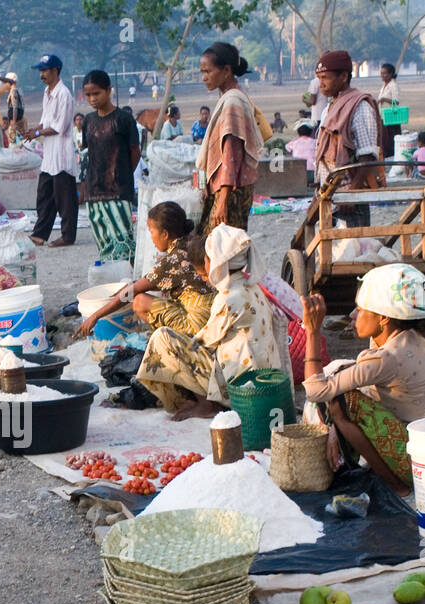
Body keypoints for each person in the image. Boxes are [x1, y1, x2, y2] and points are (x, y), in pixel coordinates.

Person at [302, 263, 425, 496]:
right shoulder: (408, 339)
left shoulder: (387, 358)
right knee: (340, 384)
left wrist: (312, 331)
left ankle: (398, 487)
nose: (352, 315)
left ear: (383, 319)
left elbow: (315, 390)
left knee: (342, 402)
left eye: (360, 309)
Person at [135, 223, 283, 420]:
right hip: (262, 377)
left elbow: (205, 342)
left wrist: (180, 343)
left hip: (241, 386)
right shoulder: (251, 286)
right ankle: (206, 399)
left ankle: (208, 404)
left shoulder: (228, 297)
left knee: (164, 339)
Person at [74, 201, 215, 342]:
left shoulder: (172, 259)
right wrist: (130, 288)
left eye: (151, 231)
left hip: (198, 325)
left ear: (165, 234)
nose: (151, 237)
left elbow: (131, 293)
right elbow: (154, 283)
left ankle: (170, 342)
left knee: (139, 301)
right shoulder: (190, 243)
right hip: (213, 316)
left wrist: (94, 316)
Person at [192, 42, 262, 235]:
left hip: (231, 190)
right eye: (202, 72)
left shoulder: (232, 102)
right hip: (231, 188)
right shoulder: (232, 98)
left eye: (208, 71)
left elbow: (231, 156)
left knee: (220, 251)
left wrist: (222, 200)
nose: (204, 77)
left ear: (226, 70)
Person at [312, 50, 383, 227]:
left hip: (350, 202)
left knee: (352, 251)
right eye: (319, 78)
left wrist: (352, 193)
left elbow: (367, 156)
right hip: (329, 197)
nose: (321, 84)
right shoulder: (329, 108)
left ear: (343, 76)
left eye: (325, 77)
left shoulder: (359, 106)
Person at [79, 70, 141, 264]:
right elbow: (90, 154)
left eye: (96, 93)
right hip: (93, 191)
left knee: (124, 243)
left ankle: (129, 288)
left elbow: (135, 152)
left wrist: (122, 174)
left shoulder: (123, 119)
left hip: (118, 190)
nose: (92, 99)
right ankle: (110, 286)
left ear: (108, 90)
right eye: (88, 94)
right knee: (104, 246)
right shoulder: (88, 121)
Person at [29, 53, 78, 248]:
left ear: (55, 70)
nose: (42, 74)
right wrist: (34, 130)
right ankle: (40, 234)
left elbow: (60, 126)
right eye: (40, 70)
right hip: (49, 155)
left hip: (62, 153)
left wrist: (38, 132)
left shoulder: (64, 94)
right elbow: (45, 119)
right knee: (44, 196)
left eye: (45, 70)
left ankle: (68, 236)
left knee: (65, 199)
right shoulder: (47, 93)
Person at [377, 63, 401, 158]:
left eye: (385, 73)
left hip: (391, 117)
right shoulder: (384, 85)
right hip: (383, 116)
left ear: (391, 74)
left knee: (390, 139)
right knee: (383, 138)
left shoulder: (393, 85)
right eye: (381, 73)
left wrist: (384, 99)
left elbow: (396, 101)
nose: (382, 76)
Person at [3, 72, 27, 141]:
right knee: (21, 140)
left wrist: (13, 122)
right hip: (20, 118)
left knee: (14, 140)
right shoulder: (18, 90)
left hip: (16, 120)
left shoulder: (13, 91)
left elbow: (15, 107)